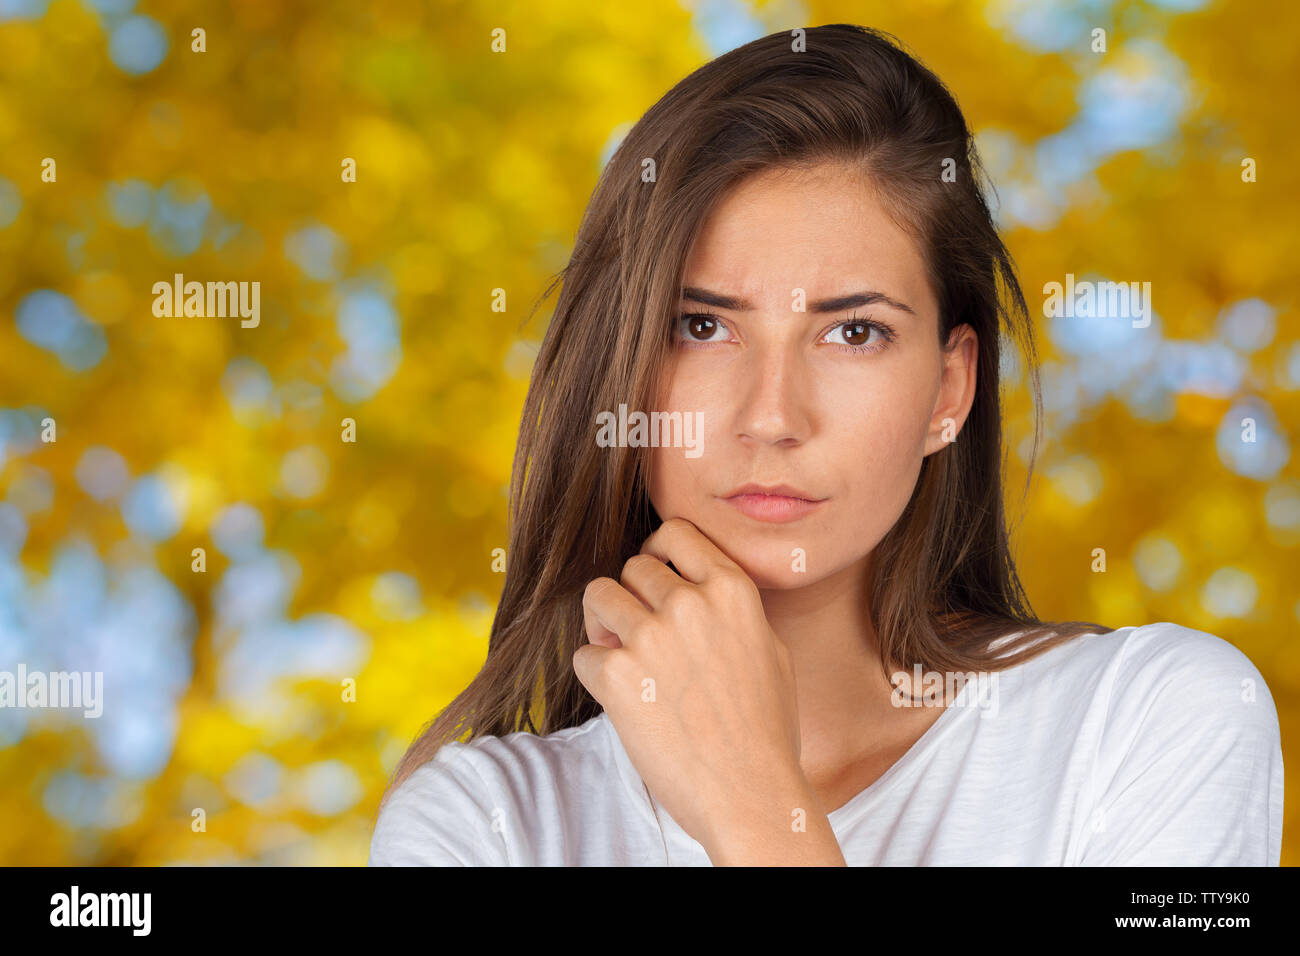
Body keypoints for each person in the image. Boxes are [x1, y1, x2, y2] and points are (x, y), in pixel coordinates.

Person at [369, 23, 1283, 866]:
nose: (772, 416)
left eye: (853, 334)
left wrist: (757, 807)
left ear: (949, 390)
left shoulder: (1154, 721)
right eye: (701, 326)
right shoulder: (483, 825)